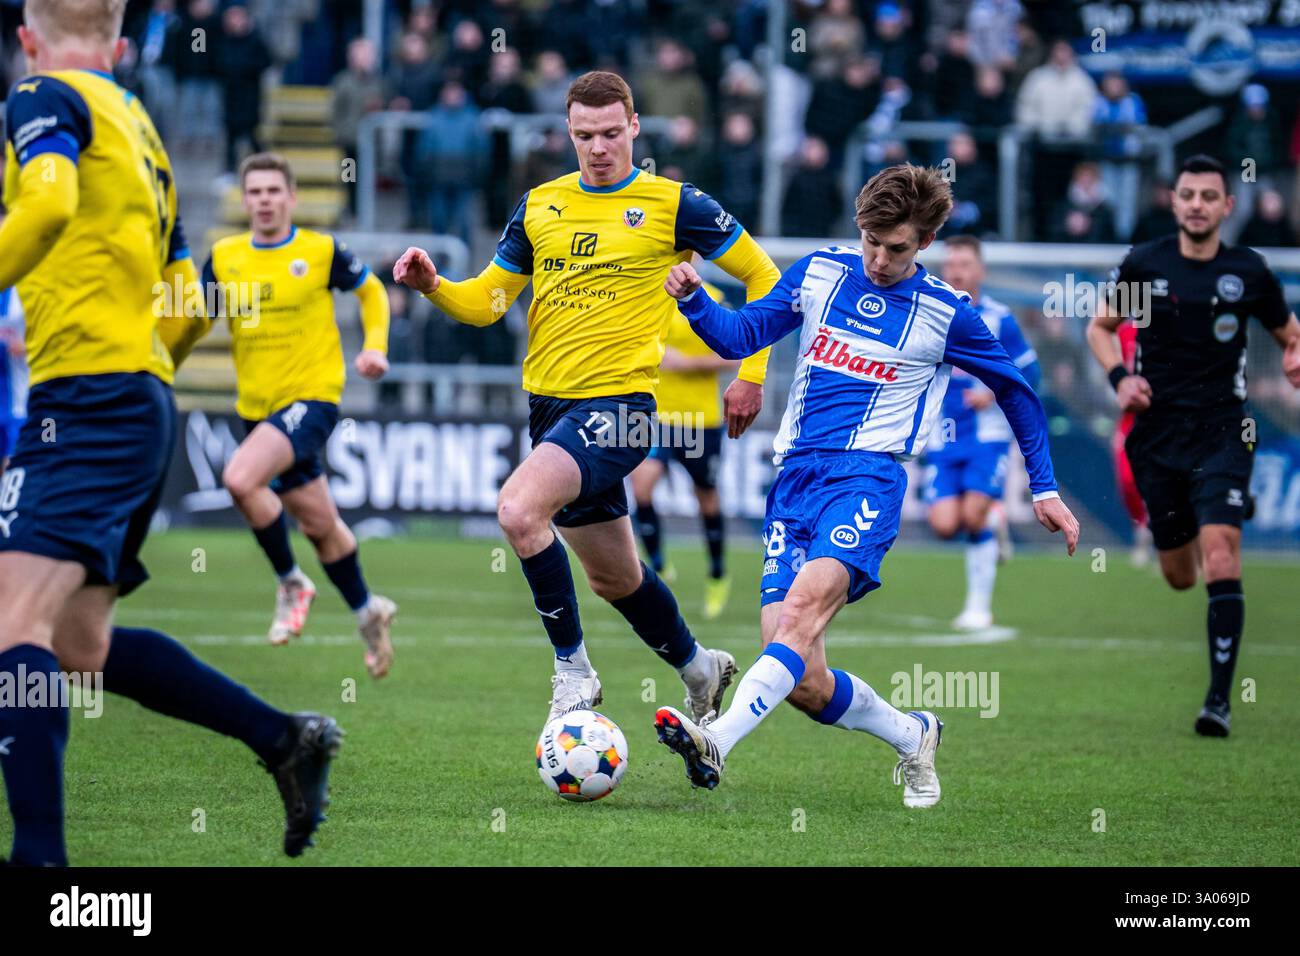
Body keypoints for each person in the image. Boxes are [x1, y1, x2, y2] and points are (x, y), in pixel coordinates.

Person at [0, 0, 339, 866]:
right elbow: (185, 288)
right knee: (81, 645)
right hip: (138, 395)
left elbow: (44, 207)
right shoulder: (139, 129)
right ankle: (282, 740)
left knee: (13, 631)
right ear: (117, 46)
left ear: (27, 40)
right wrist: (146, 362)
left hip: (84, 399)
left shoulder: (42, 98)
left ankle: (40, 867)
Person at [653, 164, 1079, 805]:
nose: (879, 259)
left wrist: (1043, 487)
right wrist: (694, 300)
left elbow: (1016, 390)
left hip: (868, 479)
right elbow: (742, 335)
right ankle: (913, 736)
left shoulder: (946, 314)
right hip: (794, 479)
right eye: (870, 242)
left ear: (925, 242)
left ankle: (718, 742)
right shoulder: (818, 273)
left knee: (796, 619)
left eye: (897, 248)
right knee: (801, 677)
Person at [393, 71, 777, 723]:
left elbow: (764, 276)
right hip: (549, 411)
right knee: (616, 579)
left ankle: (572, 674)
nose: (597, 148)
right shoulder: (540, 205)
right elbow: (489, 303)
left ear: (633, 127)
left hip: (621, 409)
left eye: (608, 133)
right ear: (567, 134)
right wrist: (433, 284)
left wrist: (752, 374)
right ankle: (700, 668)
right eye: (582, 136)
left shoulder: (676, 204)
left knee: (518, 511)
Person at [1086, 154, 1300, 737]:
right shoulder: (1143, 264)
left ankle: (1217, 702)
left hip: (1225, 429)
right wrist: (1118, 380)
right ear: (1174, 201)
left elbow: (1289, 334)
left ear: (1228, 206)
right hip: (1156, 437)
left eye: (1210, 195)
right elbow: (1099, 328)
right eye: (1188, 195)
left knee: (1223, 555)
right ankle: (1220, 509)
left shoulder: (1249, 272)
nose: (1198, 205)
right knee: (1181, 574)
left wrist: (1292, 355)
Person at [206, 152, 397, 676]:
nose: (264, 200)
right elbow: (190, 321)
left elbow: (372, 291)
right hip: (258, 410)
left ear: (291, 197)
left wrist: (375, 345)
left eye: (273, 191)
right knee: (320, 525)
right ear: (243, 200)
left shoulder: (319, 250)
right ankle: (368, 611)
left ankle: (291, 581)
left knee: (240, 479)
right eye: (255, 192)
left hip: (313, 398)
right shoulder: (224, 257)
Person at [923, 236, 1040, 629]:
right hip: (942, 435)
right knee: (942, 525)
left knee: (973, 517)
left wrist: (993, 391)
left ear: (981, 270)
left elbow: (1031, 370)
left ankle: (978, 606)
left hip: (987, 437)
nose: (956, 270)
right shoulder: (930, 311)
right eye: (951, 263)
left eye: (964, 264)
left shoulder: (998, 317)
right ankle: (995, 519)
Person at [631, 274, 738, 620]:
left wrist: (688, 363)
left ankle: (717, 574)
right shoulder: (649, 294)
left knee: (706, 497)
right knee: (641, 486)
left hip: (700, 420)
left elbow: (734, 354)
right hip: (657, 418)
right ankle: (659, 569)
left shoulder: (715, 299)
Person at [0, 286, 25, 475]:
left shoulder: (24, 291)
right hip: (5, 403)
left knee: (15, 469)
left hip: (27, 406)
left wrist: (26, 348)